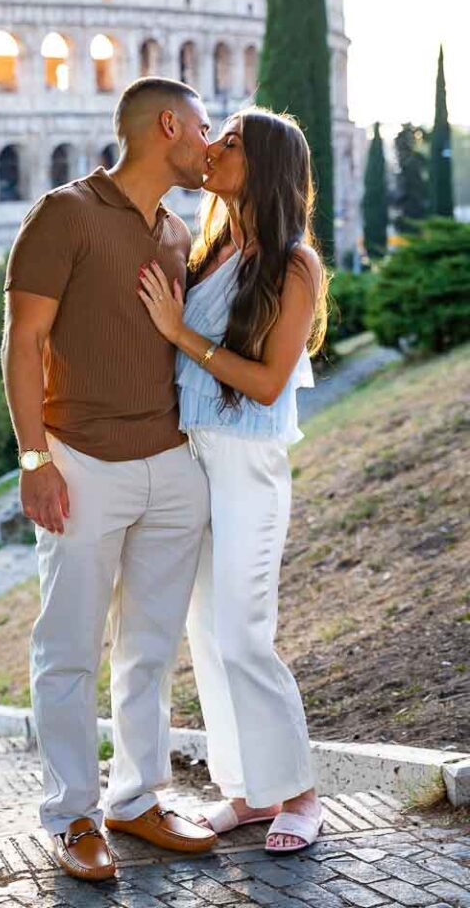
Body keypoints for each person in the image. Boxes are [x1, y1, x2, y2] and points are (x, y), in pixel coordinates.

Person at [1, 77, 217, 882]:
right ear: (168, 126)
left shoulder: (177, 230)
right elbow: (23, 342)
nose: (209, 141)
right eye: (202, 127)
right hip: (82, 464)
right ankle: (71, 816)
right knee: (67, 651)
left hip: (171, 465)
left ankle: (135, 800)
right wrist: (34, 459)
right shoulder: (65, 213)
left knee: (149, 651)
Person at [137, 108, 329, 854]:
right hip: (194, 461)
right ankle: (247, 792)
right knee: (208, 633)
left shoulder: (293, 264)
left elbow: (268, 381)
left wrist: (180, 332)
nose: (211, 148)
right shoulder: (212, 245)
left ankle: (303, 794)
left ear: (267, 166)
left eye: (231, 143)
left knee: (246, 634)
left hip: (247, 468)